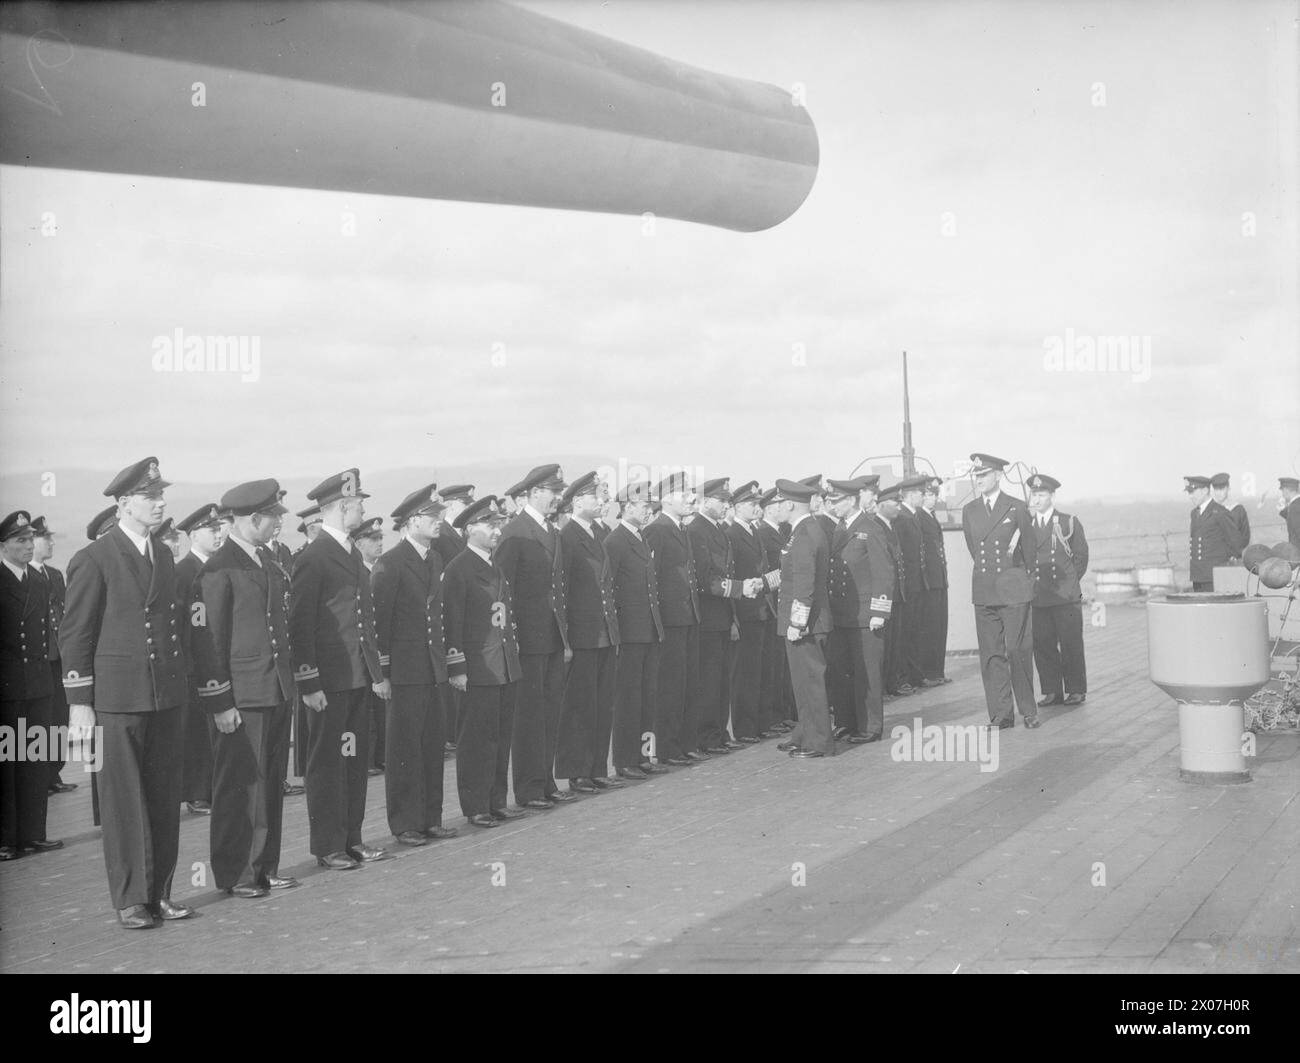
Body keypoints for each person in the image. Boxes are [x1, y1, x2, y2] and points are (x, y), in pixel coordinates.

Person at [61, 457, 194, 928]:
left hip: (163, 696)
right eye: (150, 497)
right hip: (116, 699)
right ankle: (132, 898)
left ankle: (159, 893)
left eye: (161, 496)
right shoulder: (94, 558)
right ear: (123, 504)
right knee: (123, 802)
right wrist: (80, 703)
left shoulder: (163, 554)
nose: (160, 504)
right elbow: (75, 634)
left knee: (163, 796)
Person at [191, 479, 299, 898]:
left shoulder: (266, 562)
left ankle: (264, 866)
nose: (278, 525)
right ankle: (237, 872)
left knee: (269, 784)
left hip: (273, 690)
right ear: (254, 518)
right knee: (240, 786)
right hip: (241, 697)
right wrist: (220, 700)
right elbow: (208, 639)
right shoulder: (218, 568)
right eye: (274, 517)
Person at [289, 468, 389, 871]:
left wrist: (373, 672)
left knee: (352, 759)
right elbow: (301, 622)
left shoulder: (348, 551)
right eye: (359, 503)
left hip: (355, 676)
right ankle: (328, 845)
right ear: (342, 507)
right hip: (329, 681)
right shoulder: (315, 557)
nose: (363, 509)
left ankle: (352, 838)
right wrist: (309, 681)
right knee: (328, 763)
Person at [371, 483, 458, 846]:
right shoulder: (390, 563)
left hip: (432, 668)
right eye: (431, 517)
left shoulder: (434, 559)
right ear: (411, 522)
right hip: (405, 671)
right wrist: (384, 674)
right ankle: (406, 822)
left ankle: (430, 817)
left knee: (431, 745)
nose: (438, 522)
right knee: (405, 748)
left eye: (438, 516)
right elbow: (380, 625)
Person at [442, 497, 525, 827]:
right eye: (490, 525)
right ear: (469, 529)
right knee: (476, 739)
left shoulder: (494, 565)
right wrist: (457, 667)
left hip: (502, 665)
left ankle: (495, 800)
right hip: (477, 669)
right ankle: (476, 805)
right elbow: (452, 622)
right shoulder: (459, 569)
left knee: (500, 737)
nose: (497, 530)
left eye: (498, 524)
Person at [494, 464, 573, 810]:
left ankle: (545, 780)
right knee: (529, 715)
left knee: (550, 711)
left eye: (559, 492)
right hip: (527, 639)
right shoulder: (515, 532)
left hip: (553, 637)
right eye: (553, 492)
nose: (558, 498)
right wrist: (510, 640)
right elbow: (502, 589)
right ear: (534, 493)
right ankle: (528, 788)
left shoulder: (551, 532)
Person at [555, 472, 622, 793]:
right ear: (577, 501)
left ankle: (595, 767)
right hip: (582, 635)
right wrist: (566, 639)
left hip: (604, 633)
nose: (602, 502)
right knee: (580, 706)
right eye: (596, 496)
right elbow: (562, 591)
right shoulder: (567, 537)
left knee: (600, 703)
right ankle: (576, 770)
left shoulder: (597, 532)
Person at [962, 453, 1039, 729]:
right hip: (984, 590)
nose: (979, 480)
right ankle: (1000, 714)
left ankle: (1028, 710)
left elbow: (1030, 550)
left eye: (984, 475)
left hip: (1013, 590)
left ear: (997, 475)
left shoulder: (1016, 507)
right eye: (977, 476)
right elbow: (974, 547)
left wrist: (1025, 584)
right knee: (991, 654)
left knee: (1017, 649)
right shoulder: (969, 510)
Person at [1, 511, 61, 861]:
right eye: (20, 540)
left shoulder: (39, 581)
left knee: (36, 761)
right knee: (8, 764)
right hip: (8, 687)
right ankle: (7, 839)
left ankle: (34, 833)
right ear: (3, 545)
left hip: (39, 684)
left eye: (29, 539)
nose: (27, 545)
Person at [604, 481, 666, 779]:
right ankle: (625, 760)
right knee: (628, 698)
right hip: (629, 632)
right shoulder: (616, 542)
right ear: (627, 506)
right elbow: (610, 589)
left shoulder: (640, 538)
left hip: (648, 630)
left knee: (647, 695)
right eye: (643, 507)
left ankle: (643, 755)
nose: (647, 511)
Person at [825, 476, 892, 743]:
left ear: (851, 501)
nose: (832, 505)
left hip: (865, 614)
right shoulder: (839, 529)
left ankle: (870, 726)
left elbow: (883, 572)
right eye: (830, 501)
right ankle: (846, 722)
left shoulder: (870, 528)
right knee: (842, 670)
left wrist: (880, 612)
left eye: (836, 501)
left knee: (867, 672)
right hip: (841, 613)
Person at [688, 477, 752, 754]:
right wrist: (739, 589)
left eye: (728, 501)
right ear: (706, 501)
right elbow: (705, 578)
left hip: (722, 615)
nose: (727, 505)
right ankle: (707, 736)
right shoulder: (697, 530)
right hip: (707, 616)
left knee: (720, 679)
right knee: (709, 681)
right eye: (722, 500)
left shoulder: (717, 530)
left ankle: (718, 732)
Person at [771, 480, 833, 758]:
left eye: (777, 503)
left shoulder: (805, 533)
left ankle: (819, 742)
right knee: (802, 684)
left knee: (810, 683)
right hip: (804, 622)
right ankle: (805, 733)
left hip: (805, 624)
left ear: (789, 504)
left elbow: (804, 584)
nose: (775, 509)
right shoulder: (804, 530)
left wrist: (797, 623)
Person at [644, 472, 702, 765]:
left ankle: (683, 742)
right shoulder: (658, 530)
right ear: (667, 499)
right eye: (685, 494)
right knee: (668, 686)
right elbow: (651, 579)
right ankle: (665, 748)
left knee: (686, 684)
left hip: (687, 616)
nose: (692, 498)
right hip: (669, 620)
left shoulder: (680, 529)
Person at [174, 503, 225, 816]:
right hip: (193, 664)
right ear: (193, 534)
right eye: (211, 529)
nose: (218, 534)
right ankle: (197, 793)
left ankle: (213, 787)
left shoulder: (220, 566)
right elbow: (183, 624)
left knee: (216, 730)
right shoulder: (183, 571)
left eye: (219, 528)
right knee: (196, 731)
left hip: (219, 659)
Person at [1026, 473, 1089, 708]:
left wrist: (1071, 582)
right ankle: (1052, 691)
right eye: (1035, 494)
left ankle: (1076, 689)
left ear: (1052, 496)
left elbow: (1081, 556)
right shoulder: (1027, 525)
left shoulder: (1068, 522)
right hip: (1039, 595)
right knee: (1043, 644)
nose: (1038, 499)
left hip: (1065, 596)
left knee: (1071, 642)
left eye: (1042, 494)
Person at [30, 516, 76, 795]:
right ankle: (39, 777)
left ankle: (53, 773)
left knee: (60, 715)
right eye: (45, 538)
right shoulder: (24, 575)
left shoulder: (55, 575)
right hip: (38, 660)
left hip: (59, 656)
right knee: (39, 721)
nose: (50, 542)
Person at [727, 481, 775, 743]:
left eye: (758, 504)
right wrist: (733, 617)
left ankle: (759, 723)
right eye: (751, 504)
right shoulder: (732, 534)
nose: (757, 508)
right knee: (744, 673)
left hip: (761, 609)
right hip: (745, 611)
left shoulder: (754, 532)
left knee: (760, 670)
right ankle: (745, 728)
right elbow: (732, 577)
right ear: (737, 507)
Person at [435, 484, 475, 754]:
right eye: (464, 503)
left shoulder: (460, 534)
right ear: (450, 506)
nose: (468, 508)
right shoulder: (441, 536)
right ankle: (451, 733)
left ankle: (457, 731)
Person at [756, 488, 794, 733]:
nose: (785, 509)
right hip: (768, 605)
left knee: (779, 665)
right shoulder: (764, 534)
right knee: (770, 666)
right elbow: (764, 571)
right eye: (781, 505)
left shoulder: (778, 533)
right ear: (770, 508)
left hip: (778, 605)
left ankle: (779, 714)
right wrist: (785, 576)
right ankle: (770, 717)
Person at [351, 517, 387, 776]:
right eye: (373, 539)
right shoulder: (358, 572)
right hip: (360, 650)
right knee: (364, 708)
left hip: (376, 648)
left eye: (380, 538)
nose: (379, 543)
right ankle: (367, 759)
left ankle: (377, 756)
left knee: (377, 708)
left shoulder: (378, 570)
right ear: (359, 542)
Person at [893, 476, 930, 695]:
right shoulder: (903, 518)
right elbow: (903, 556)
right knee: (906, 633)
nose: (923, 496)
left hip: (916, 583)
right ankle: (905, 676)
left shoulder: (912, 516)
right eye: (920, 493)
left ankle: (915, 675)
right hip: (908, 586)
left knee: (915, 630)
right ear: (911, 494)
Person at [871, 484, 907, 698]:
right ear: (882, 505)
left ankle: (891, 684)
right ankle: (884, 686)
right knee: (884, 643)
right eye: (895, 503)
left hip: (896, 594)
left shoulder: (891, 526)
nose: (899, 508)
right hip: (886, 596)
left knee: (894, 642)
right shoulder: (877, 526)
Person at [916, 479, 951, 685]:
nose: (933, 498)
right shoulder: (919, 517)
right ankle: (929, 672)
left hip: (939, 579)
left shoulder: (930, 516)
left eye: (935, 494)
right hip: (930, 580)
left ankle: (937, 671)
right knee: (930, 627)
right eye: (929, 494)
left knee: (939, 626)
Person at [1185, 475, 1236, 591]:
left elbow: (1235, 543)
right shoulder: (1194, 513)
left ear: (1205, 490)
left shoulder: (1220, 512)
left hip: (1214, 575)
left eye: (1193, 492)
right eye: (1189, 493)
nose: (1190, 496)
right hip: (1197, 575)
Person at [1210, 473, 1250, 562]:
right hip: (1214, 558)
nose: (1218, 493)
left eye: (1222, 489)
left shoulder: (1238, 509)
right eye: (1216, 489)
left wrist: (1235, 554)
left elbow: (1245, 536)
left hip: (1234, 558)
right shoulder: (1210, 510)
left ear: (1228, 488)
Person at [1279, 477, 1300, 549]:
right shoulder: (1296, 504)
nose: (1282, 495)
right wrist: (1283, 510)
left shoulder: (1294, 507)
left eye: (1282, 491)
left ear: (1286, 490)